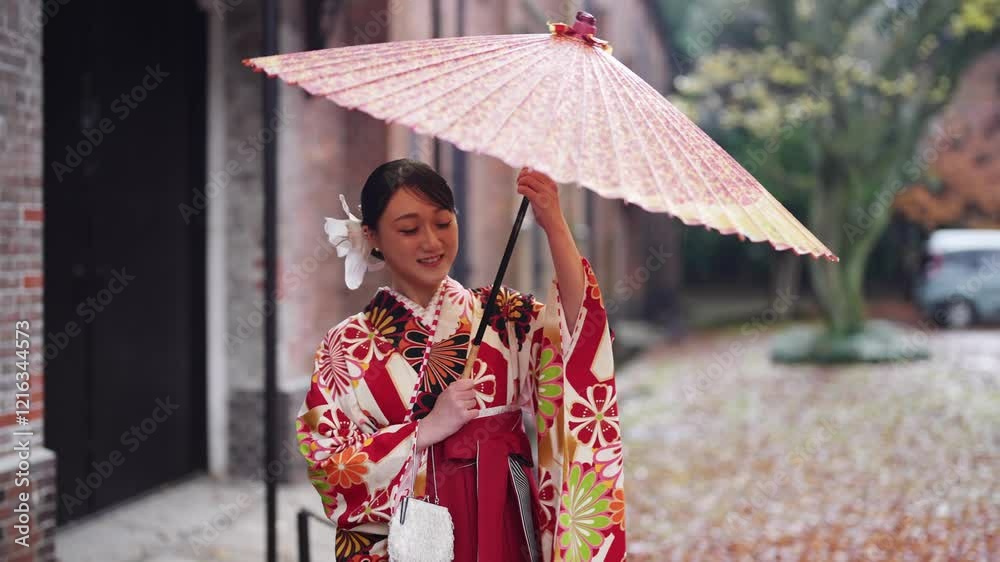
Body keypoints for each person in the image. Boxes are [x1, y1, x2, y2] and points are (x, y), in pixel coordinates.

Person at [296, 159, 626, 562]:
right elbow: (328, 468)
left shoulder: (501, 314)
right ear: (373, 236)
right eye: (409, 229)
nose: (432, 242)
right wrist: (424, 430)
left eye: (443, 222)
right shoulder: (345, 345)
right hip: (408, 536)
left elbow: (579, 340)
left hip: (501, 515)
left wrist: (554, 224)